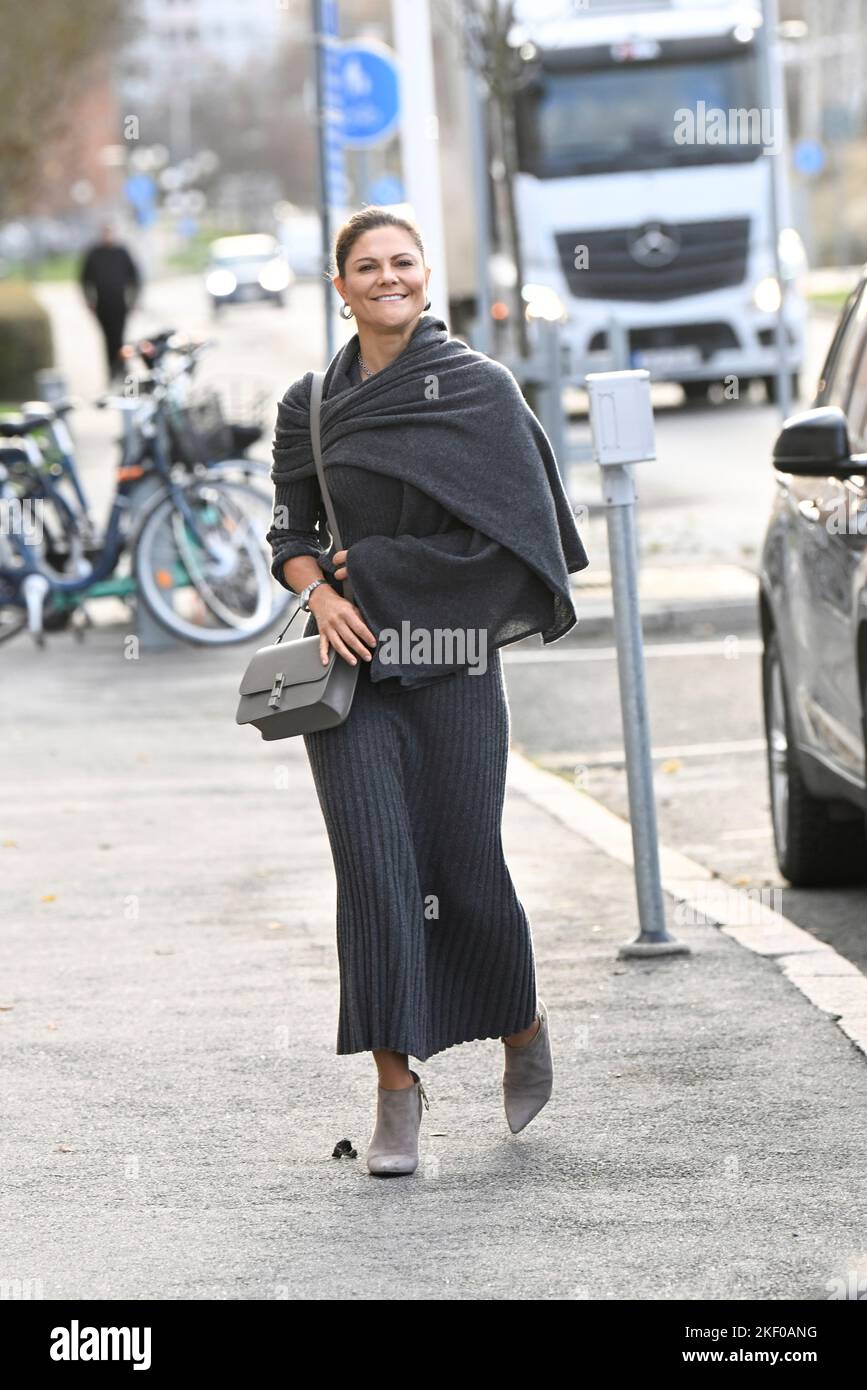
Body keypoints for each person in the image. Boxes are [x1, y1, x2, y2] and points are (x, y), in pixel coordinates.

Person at [266, 206, 590, 1177]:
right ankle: (395, 1091)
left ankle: (519, 1022)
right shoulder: (310, 406)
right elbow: (288, 534)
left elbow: (526, 541)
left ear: (424, 273)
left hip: (452, 661)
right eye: (366, 266)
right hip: (353, 671)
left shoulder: (480, 391)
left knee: (464, 871)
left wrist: (387, 564)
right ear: (341, 286)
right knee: (375, 877)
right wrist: (319, 590)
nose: (386, 278)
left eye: (402, 262)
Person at [79, 222, 141, 381]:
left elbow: (135, 278)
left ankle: (123, 371)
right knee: (108, 339)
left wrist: (134, 300)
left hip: (120, 304)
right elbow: (85, 279)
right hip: (102, 305)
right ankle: (112, 372)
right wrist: (88, 300)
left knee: (119, 338)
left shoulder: (122, 252)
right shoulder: (94, 254)